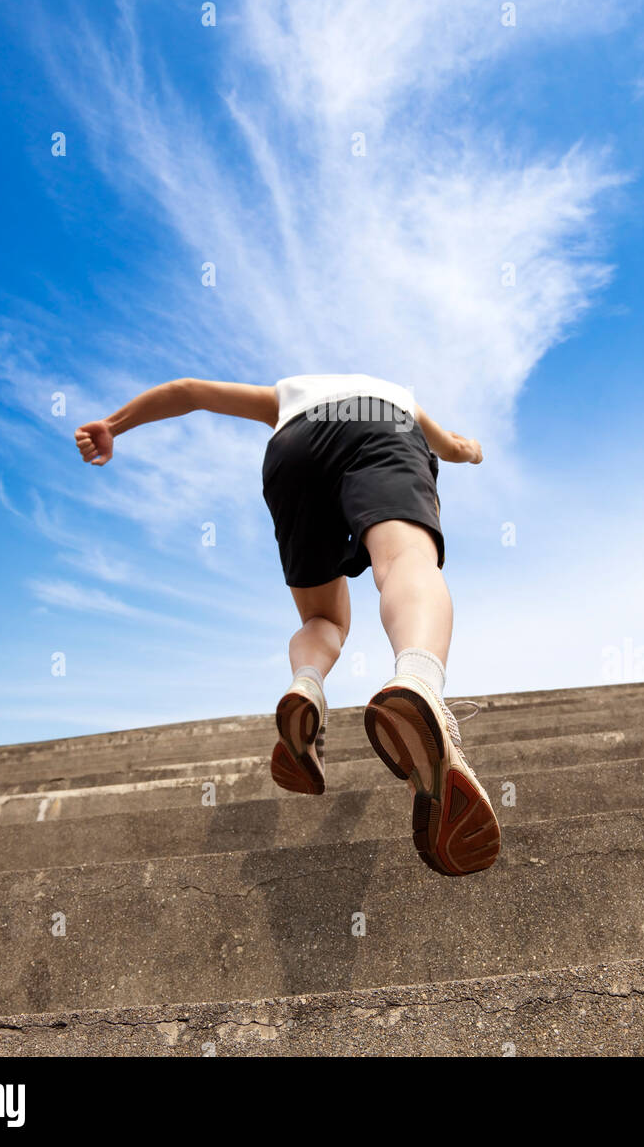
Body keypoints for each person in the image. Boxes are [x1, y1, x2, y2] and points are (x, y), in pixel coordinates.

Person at [75, 373, 501, 875]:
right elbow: (451, 446)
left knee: (323, 617)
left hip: (293, 445)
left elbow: (188, 392)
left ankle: (308, 685)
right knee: (405, 556)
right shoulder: (396, 395)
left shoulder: (289, 392)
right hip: (383, 427)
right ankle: (420, 682)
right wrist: (472, 451)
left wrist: (112, 425)